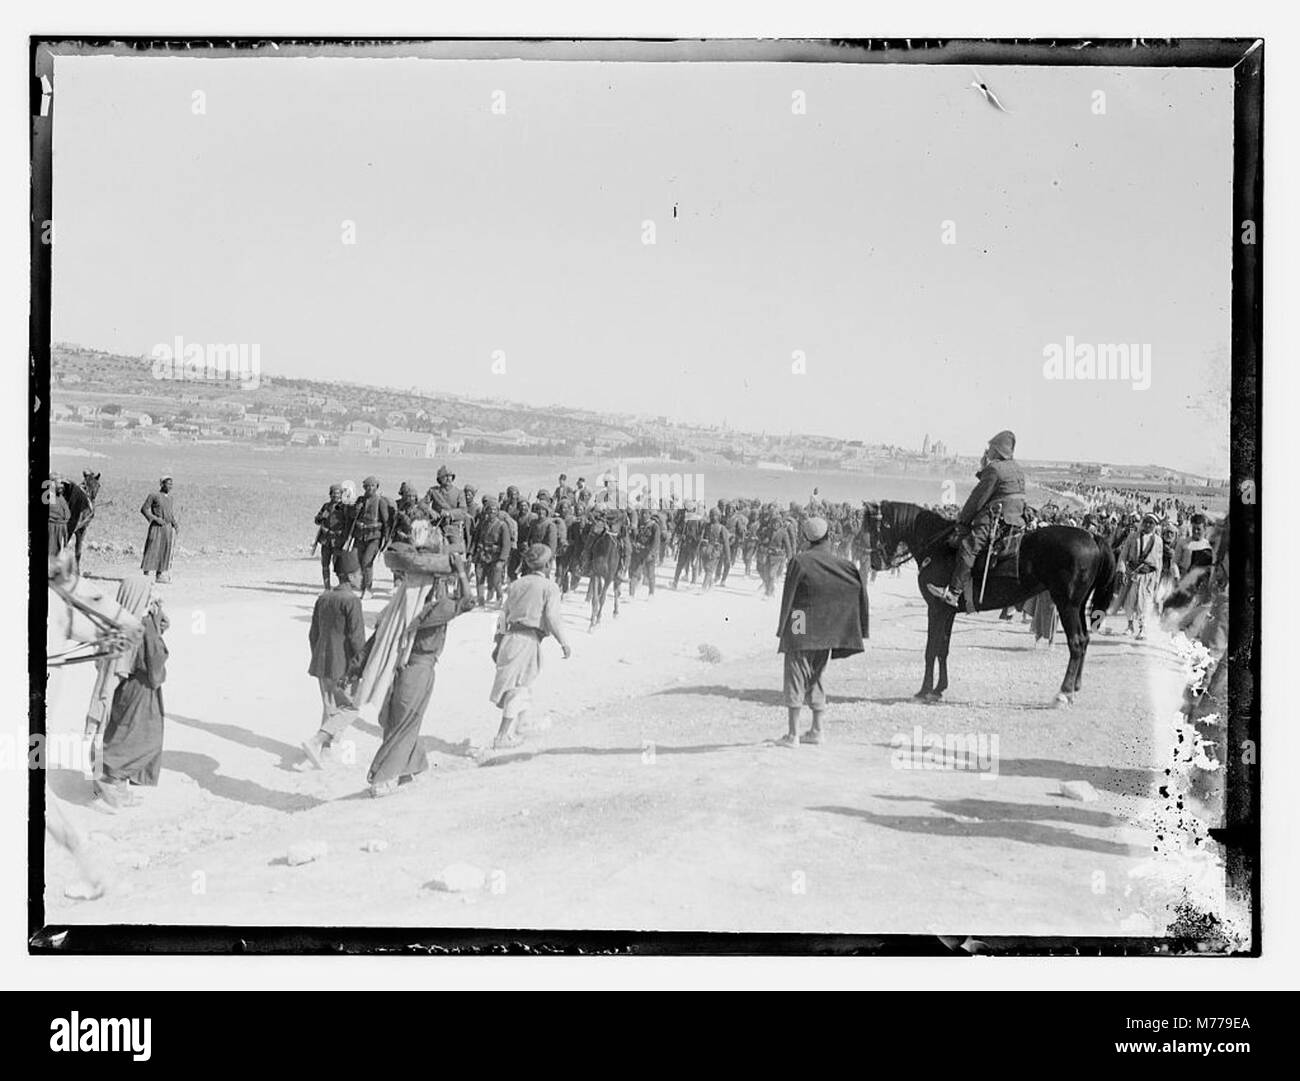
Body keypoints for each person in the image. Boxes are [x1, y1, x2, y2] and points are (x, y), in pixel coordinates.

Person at [366, 554, 476, 797]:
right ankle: (383, 777)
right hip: (420, 669)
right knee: (407, 720)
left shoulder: (397, 608)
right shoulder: (434, 609)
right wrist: (460, 572)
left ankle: (410, 766)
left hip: (396, 667)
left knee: (396, 719)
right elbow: (469, 601)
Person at [775, 517, 869, 747]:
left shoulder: (799, 561)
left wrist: (783, 630)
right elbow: (859, 591)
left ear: (806, 537)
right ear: (829, 535)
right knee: (816, 674)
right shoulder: (845, 564)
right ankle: (817, 730)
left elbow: (789, 596)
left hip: (801, 620)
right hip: (828, 628)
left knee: (796, 670)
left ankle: (792, 734)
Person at [91, 575, 169, 810]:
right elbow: (155, 660)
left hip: (124, 689)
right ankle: (109, 780)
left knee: (121, 731)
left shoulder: (123, 620)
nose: (154, 595)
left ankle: (117, 781)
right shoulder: (142, 626)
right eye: (150, 591)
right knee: (137, 738)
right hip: (141, 691)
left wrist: (157, 616)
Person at [927, 430, 1026, 607]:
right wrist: (984, 468)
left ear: (997, 450)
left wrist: (963, 521)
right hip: (1016, 518)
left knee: (968, 547)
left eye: (990, 448)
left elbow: (976, 500)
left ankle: (953, 592)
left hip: (998, 517)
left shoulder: (995, 469)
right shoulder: (1016, 468)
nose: (988, 451)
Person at [489, 544, 572, 750]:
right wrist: (563, 642)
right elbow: (552, 617)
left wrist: (497, 640)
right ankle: (502, 736)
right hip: (528, 639)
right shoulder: (549, 587)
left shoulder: (516, 584)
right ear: (547, 564)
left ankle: (522, 723)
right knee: (517, 687)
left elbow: (502, 615)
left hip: (510, 637)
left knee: (523, 683)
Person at [302, 549, 367, 767]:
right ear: (350, 576)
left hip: (321, 661)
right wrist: (360, 667)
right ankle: (316, 741)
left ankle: (325, 752)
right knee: (351, 708)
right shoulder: (352, 601)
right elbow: (357, 640)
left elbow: (313, 634)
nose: (362, 577)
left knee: (330, 707)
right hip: (343, 664)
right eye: (359, 574)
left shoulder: (323, 598)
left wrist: (318, 656)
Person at [1118, 512, 1163, 639]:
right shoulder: (1133, 537)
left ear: (1154, 525)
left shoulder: (1158, 540)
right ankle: (1130, 626)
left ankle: (1143, 628)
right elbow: (1124, 554)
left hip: (1148, 576)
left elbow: (1159, 561)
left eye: (1151, 523)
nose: (1148, 525)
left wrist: (1157, 581)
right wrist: (1121, 570)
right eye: (1146, 522)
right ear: (1142, 523)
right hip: (1133, 573)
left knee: (1145, 603)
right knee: (1130, 601)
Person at [349, 475, 395, 598]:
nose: (370, 488)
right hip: (359, 536)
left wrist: (386, 541)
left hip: (374, 537)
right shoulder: (360, 500)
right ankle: (359, 585)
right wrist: (355, 510)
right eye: (367, 486)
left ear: (376, 487)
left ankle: (368, 589)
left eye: (372, 486)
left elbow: (386, 522)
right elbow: (352, 517)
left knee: (367, 562)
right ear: (364, 487)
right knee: (355, 560)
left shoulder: (381, 501)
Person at [140, 475, 179, 583]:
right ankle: (146, 574)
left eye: (172, 484)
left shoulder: (170, 498)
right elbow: (144, 509)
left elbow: (170, 513)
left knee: (164, 550)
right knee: (152, 548)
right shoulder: (154, 495)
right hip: (156, 527)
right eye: (168, 483)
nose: (170, 486)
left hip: (167, 528)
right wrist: (155, 519)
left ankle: (160, 575)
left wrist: (175, 524)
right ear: (162, 484)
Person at [313, 483, 351, 588]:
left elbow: (349, 523)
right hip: (326, 540)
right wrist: (321, 518)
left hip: (338, 540)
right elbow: (317, 520)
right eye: (333, 493)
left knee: (338, 564)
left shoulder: (344, 507)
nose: (335, 496)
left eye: (338, 493)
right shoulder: (326, 506)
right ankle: (327, 587)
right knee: (325, 564)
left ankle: (343, 585)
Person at [47, 470, 71, 556]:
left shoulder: (59, 496)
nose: (62, 486)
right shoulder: (50, 496)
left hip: (61, 529)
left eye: (62, 484)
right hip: (53, 529)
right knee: (51, 555)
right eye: (59, 483)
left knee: (57, 555)